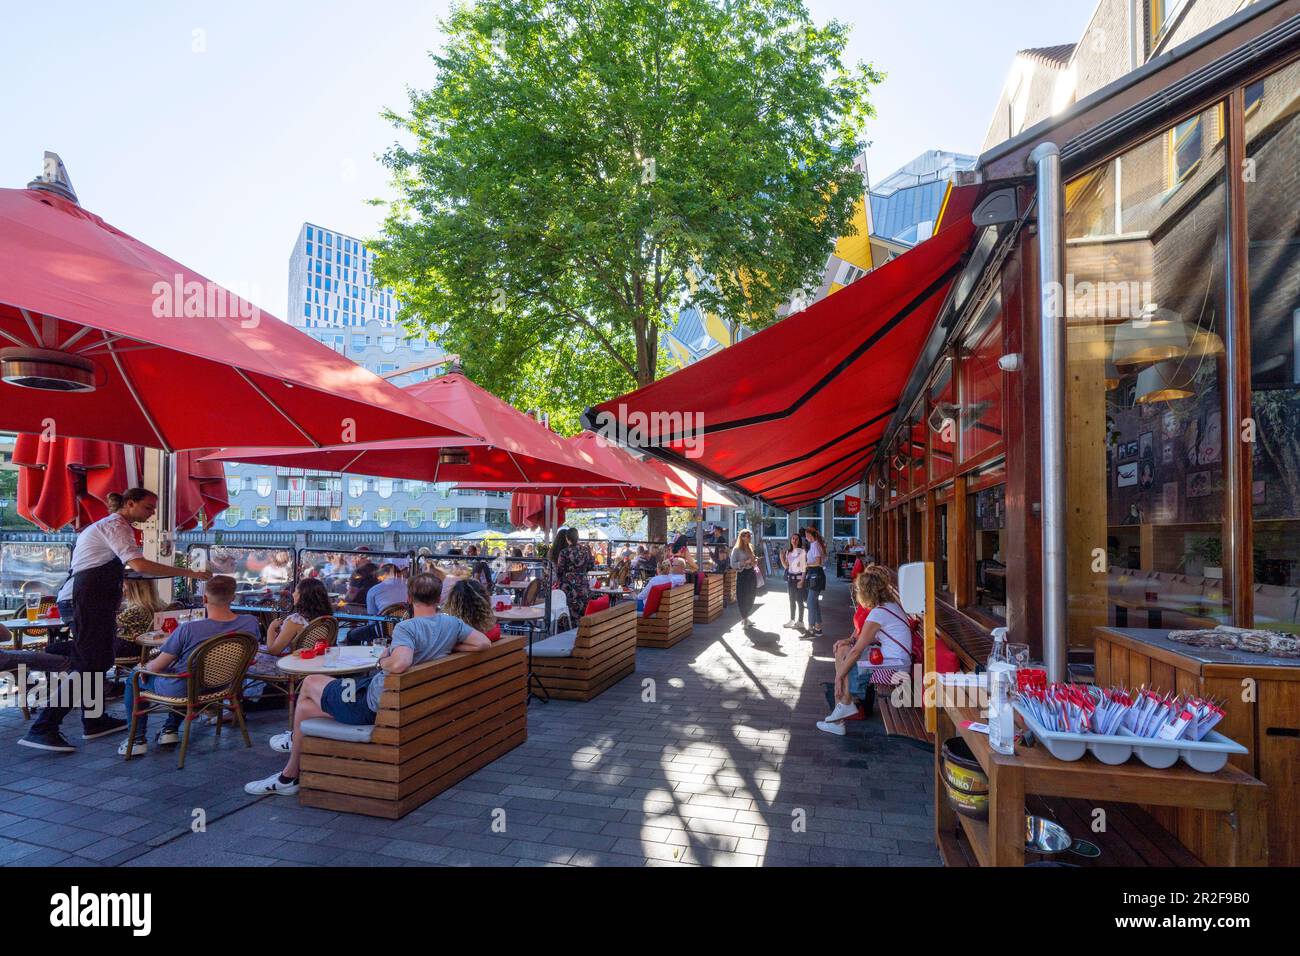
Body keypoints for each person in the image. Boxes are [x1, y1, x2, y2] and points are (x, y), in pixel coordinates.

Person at [244, 572, 491, 796]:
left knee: (309, 683)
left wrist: (383, 660)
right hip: (398, 702)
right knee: (306, 709)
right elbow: (483, 643)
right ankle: (290, 767)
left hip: (370, 706)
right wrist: (448, 647)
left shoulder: (407, 627)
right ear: (438, 597)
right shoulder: (451, 624)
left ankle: (289, 770)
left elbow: (400, 663)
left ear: (409, 596)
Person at [20, 488, 212, 753]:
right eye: (148, 507)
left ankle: (95, 720)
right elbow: (140, 565)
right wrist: (188, 571)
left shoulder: (113, 526)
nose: (152, 512)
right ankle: (43, 727)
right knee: (89, 664)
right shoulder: (115, 525)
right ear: (129, 503)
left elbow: (123, 568)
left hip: (90, 601)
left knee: (99, 661)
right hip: (83, 601)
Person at [118, 575, 259, 754]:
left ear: (205, 598)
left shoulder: (189, 629)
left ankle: (137, 739)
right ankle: (170, 729)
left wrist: (143, 667)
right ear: (233, 597)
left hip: (187, 688)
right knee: (183, 673)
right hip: (225, 685)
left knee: (135, 677)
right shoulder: (250, 623)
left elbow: (156, 667)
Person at [817, 565, 913, 737]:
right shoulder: (889, 605)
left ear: (867, 592)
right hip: (895, 660)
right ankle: (841, 712)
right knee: (846, 654)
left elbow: (857, 651)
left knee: (849, 659)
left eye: (859, 589)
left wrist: (838, 677)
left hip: (896, 669)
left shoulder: (878, 613)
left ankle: (841, 713)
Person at [249, 578, 335, 677]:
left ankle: (235, 691)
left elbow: (274, 650)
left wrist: (271, 629)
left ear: (304, 597)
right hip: (314, 664)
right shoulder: (327, 619)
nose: (293, 594)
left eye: (296, 592)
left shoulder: (295, 620)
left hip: (290, 667)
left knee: (244, 659)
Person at [552, 527, 595, 618]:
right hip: (583, 584)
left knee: (569, 612)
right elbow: (591, 566)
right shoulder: (586, 550)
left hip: (569, 586)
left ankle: (568, 629)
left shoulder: (564, 552)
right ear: (577, 537)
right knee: (583, 611)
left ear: (567, 538)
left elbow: (559, 571)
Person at [780, 532, 808, 631]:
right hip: (790, 579)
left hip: (799, 579)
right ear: (791, 540)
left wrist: (802, 580)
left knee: (799, 601)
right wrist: (781, 557)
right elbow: (786, 567)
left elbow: (804, 567)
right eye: (793, 538)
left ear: (799, 541)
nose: (794, 540)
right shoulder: (789, 552)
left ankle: (800, 621)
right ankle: (792, 620)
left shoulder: (802, 552)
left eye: (796, 539)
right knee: (791, 600)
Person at [803, 526, 828, 637]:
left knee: (810, 603)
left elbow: (818, 562)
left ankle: (811, 629)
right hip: (815, 575)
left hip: (816, 575)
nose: (806, 537)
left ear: (812, 535)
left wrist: (806, 564)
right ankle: (818, 628)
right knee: (814, 603)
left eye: (807, 535)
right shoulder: (815, 544)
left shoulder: (815, 545)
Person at [730, 530, 758, 627]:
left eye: (750, 536)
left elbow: (753, 560)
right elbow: (732, 564)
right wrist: (744, 563)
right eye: (747, 536)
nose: (749, 538)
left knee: (752, 596)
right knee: (742, 597)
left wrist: (754, 561)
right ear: (742, 537)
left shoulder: (750, 547)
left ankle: (745, 617)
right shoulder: (736, 549)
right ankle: (744, 618)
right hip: (742, 574)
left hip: (751, 573)